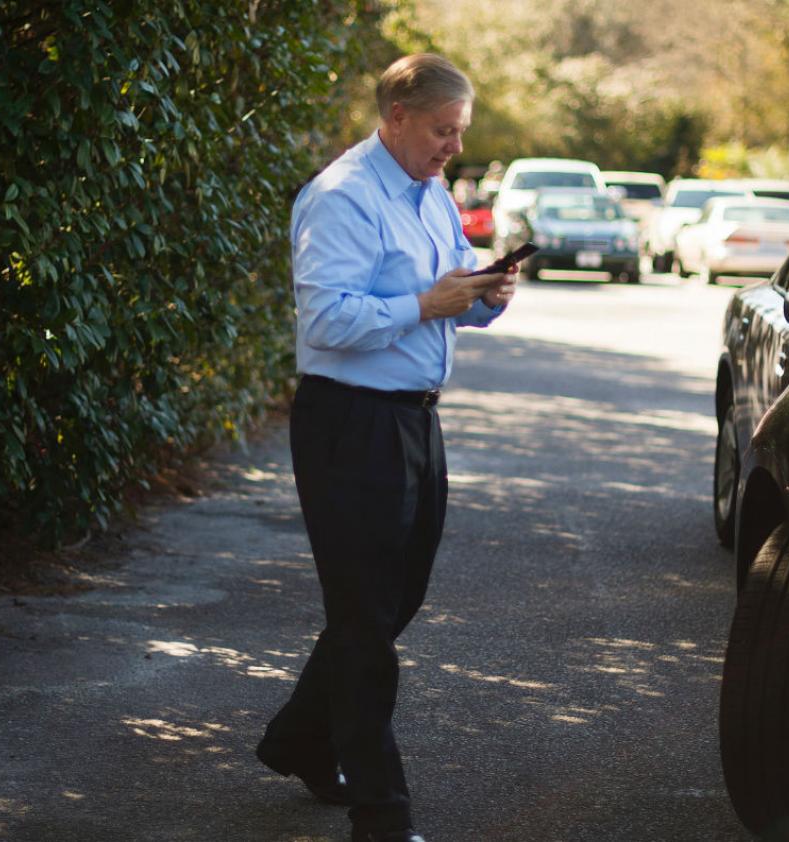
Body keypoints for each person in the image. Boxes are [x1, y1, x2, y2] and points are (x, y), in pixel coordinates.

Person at [256, 54, 516, 842]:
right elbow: (326, 322)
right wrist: (424, 302)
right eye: (443, 130)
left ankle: (297, 740)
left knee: (393, 601)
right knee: (365, 618)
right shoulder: (340, 197)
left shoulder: (431, 192)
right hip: (349, 422)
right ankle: (382, 812)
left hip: (413, 420)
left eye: (460, 133)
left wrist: (481, 298)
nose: (452, 148)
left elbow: (444, 297)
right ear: (397, 115)